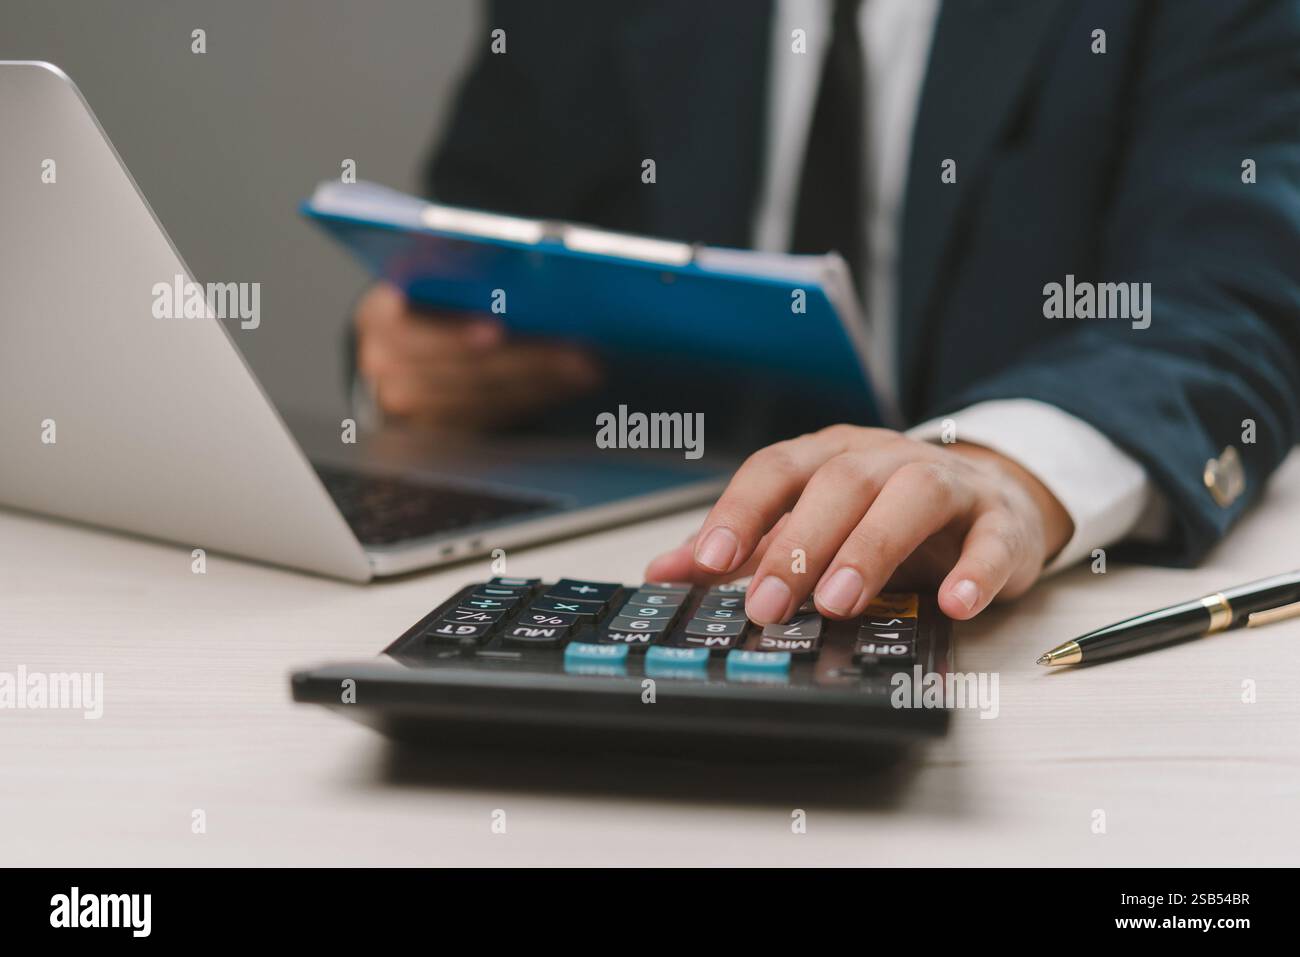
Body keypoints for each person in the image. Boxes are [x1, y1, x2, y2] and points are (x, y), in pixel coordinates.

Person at [351, 0, 1300, 626]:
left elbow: (1232, 297)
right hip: (632, 567)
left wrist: (1010, 470)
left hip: (999, 627)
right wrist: (416, 347)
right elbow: (467, 231)